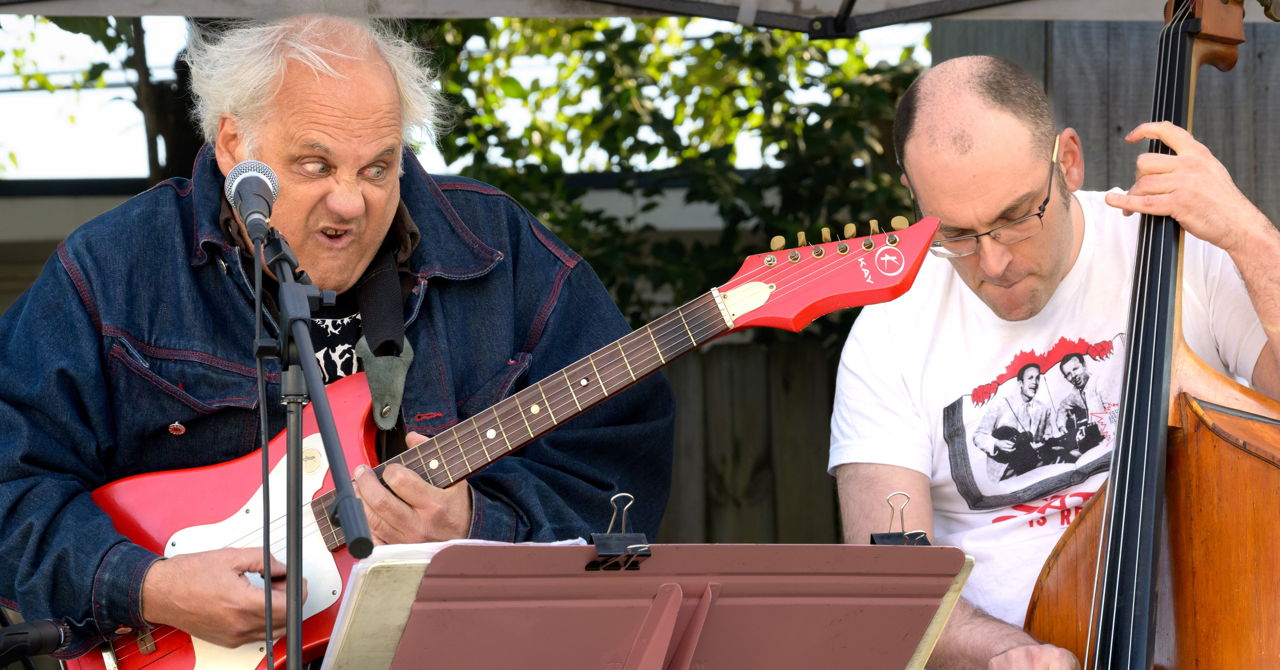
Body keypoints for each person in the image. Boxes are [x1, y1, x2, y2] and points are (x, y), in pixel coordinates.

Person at [0, 15, 674, 659]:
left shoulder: (503, 255)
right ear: (235, 143)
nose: (352, 201)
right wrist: (147, 586)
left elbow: (617, 505)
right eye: (317, 166)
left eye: (379, 168)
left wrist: (478, 533)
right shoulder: (116, 271)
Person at [829, 55, 1280, 670]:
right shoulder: (887, 333)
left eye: (1016, 217)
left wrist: (1249, 235)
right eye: (955, 233)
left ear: (1067, 161)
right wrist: (1009, 652)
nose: (991, 263)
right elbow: (892, 580)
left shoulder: (1181, 254)